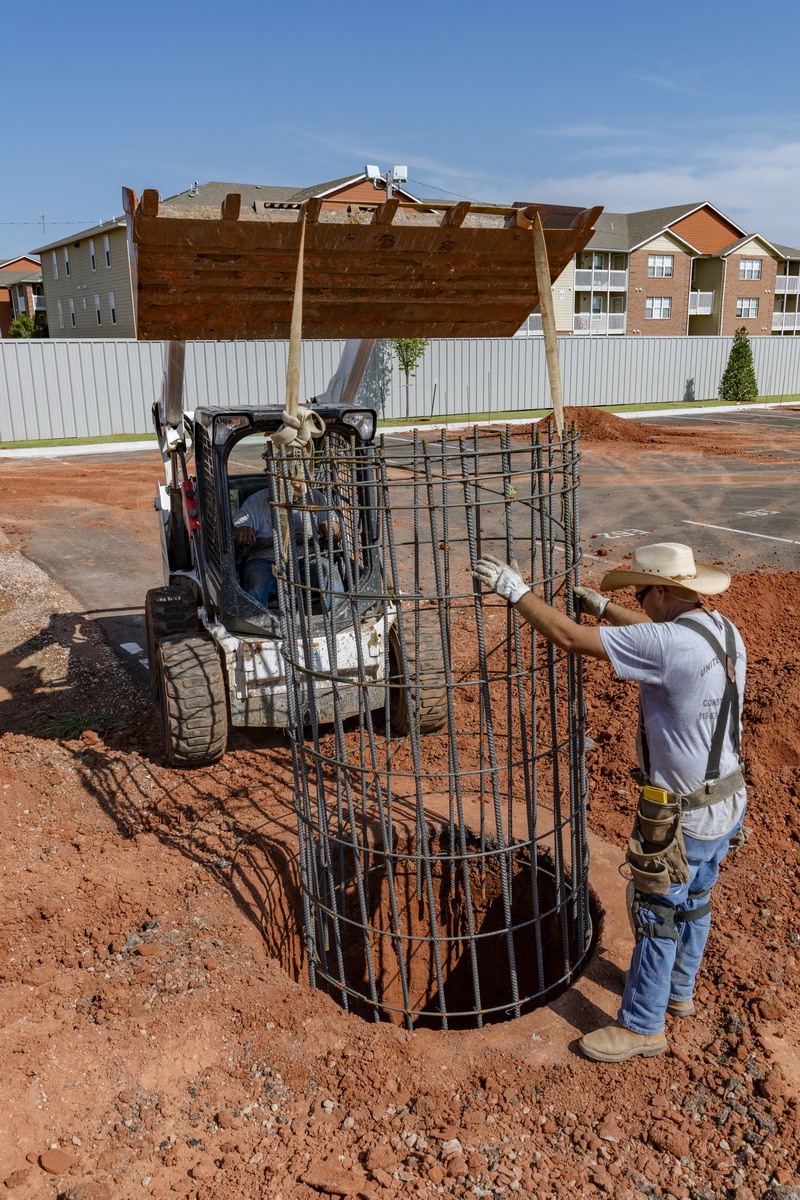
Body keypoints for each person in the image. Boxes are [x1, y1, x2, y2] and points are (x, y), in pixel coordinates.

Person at [473, 542, 746, 1063]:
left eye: (641, 594)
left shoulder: (668, 645)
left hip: (684, 815)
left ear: (662, 591)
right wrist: (604, 608)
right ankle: (679, 992)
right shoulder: (721, 629)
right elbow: (654, 632)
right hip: (728, 801)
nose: (638, 603)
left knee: (655, 911)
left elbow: (568, 637)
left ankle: (643, 1026)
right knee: (695, 900)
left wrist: (517, 592)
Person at [233, 486, 343, 609]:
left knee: (330, 573)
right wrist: (242, 530)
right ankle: (257, 618)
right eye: (290, 484)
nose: (296, 487)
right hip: (266, 561)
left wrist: (332, 527)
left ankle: (338, 614)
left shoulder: (316, 497)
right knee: (255, 582)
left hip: (309, 558)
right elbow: (238, 527)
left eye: (298, 484)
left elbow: (336, 528)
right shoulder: (256, 501)